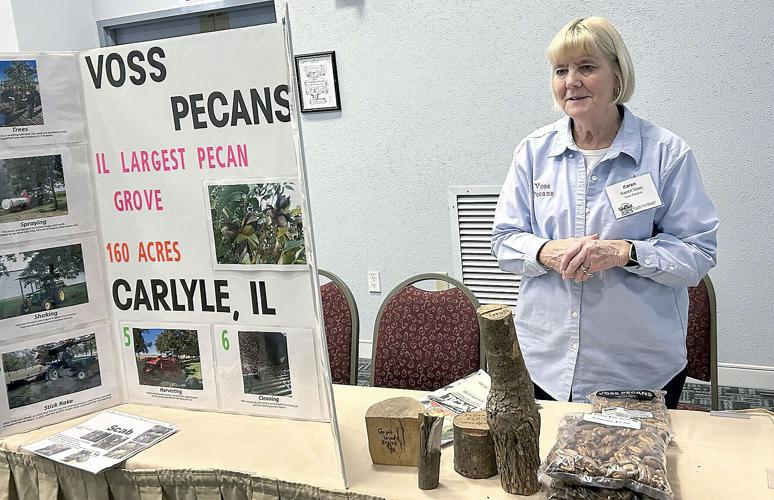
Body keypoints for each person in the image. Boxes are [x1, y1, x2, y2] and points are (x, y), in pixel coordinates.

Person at [491, 17, 718, 409]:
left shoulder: (666, 154)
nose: (571, 81)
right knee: (545, 450)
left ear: (618, 76)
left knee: (632, 452)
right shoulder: (532, 152)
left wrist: (624, 252)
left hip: (637, 370)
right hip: (545, 362)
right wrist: (546, 251)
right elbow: (504, 240)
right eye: (561, 70)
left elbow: (698, 253)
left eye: (586, 67)